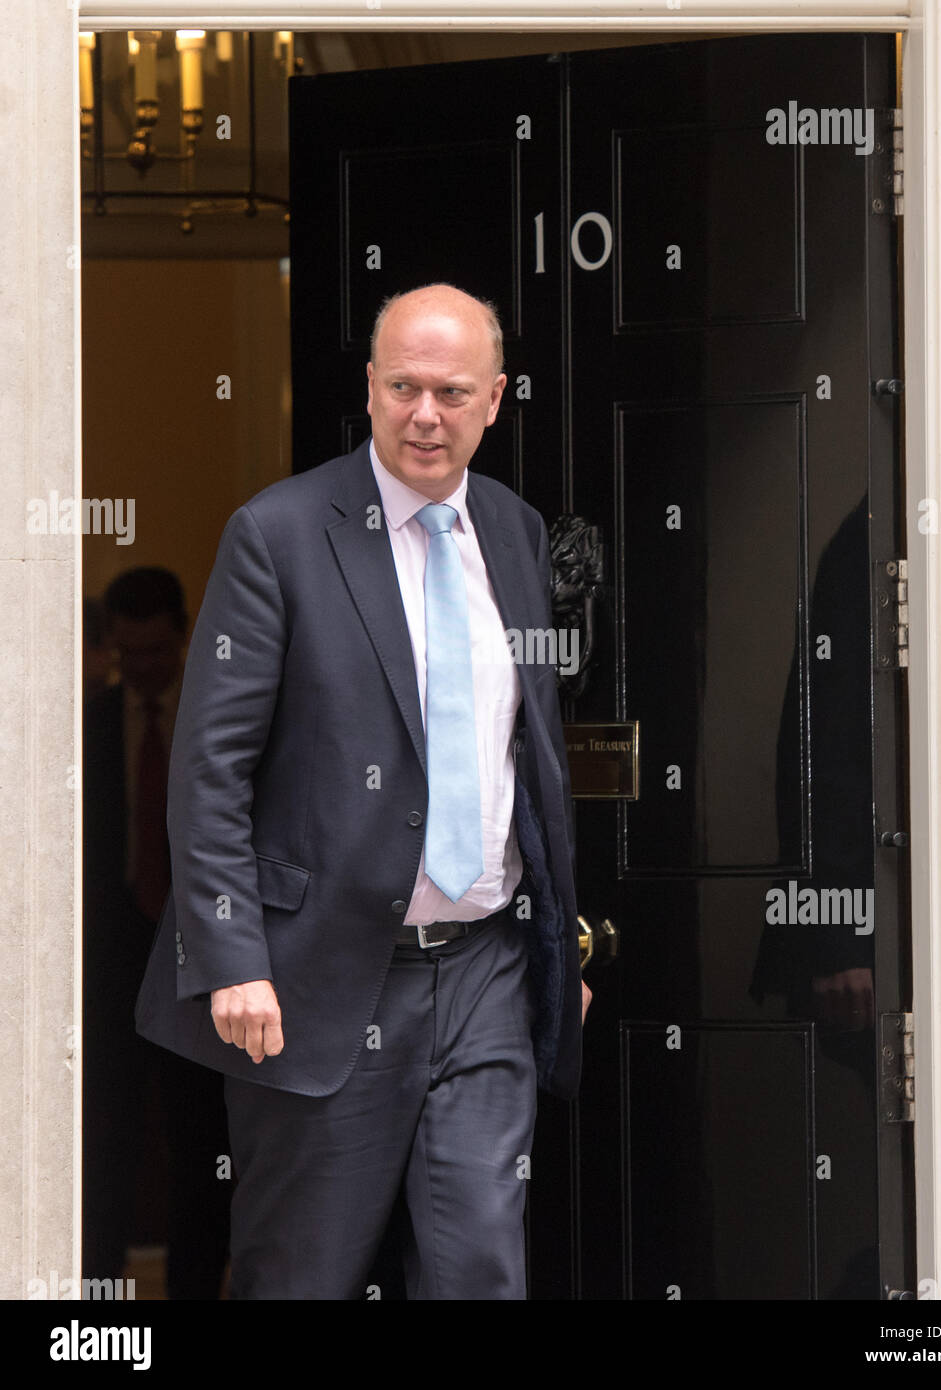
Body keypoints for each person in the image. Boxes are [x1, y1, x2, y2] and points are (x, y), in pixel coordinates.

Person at [136, 283, 590, 1300]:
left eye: (451, 391)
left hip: (484, 974)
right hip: (318, 980)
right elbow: (209, 767)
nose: (425, 413)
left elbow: (531, 756)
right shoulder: (280, 534)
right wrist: (231, 955)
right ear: (370, 389)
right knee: (300, 1273)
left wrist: (560, 948)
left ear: (495, 400)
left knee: (479, 1260)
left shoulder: (514, 534)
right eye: (403, 388)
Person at [83, 568, 230, 1298]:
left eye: (155, 652)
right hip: (109, 973)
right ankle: (96, 1306)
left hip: (200, 966)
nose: (142, 668)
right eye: (128, 654)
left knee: (201, 1147)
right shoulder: (86, 729)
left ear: (181, 636)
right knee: (103, 1146)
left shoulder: (216, 724)